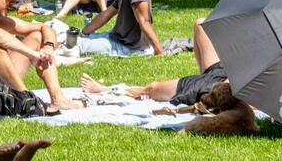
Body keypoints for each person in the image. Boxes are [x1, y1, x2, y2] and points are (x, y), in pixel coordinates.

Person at [80, 17, 226, 104]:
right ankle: (203, 77)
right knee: (201, 24)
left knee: (150, 89)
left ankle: (106, 90)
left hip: (215, 87)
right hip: (222, 73)